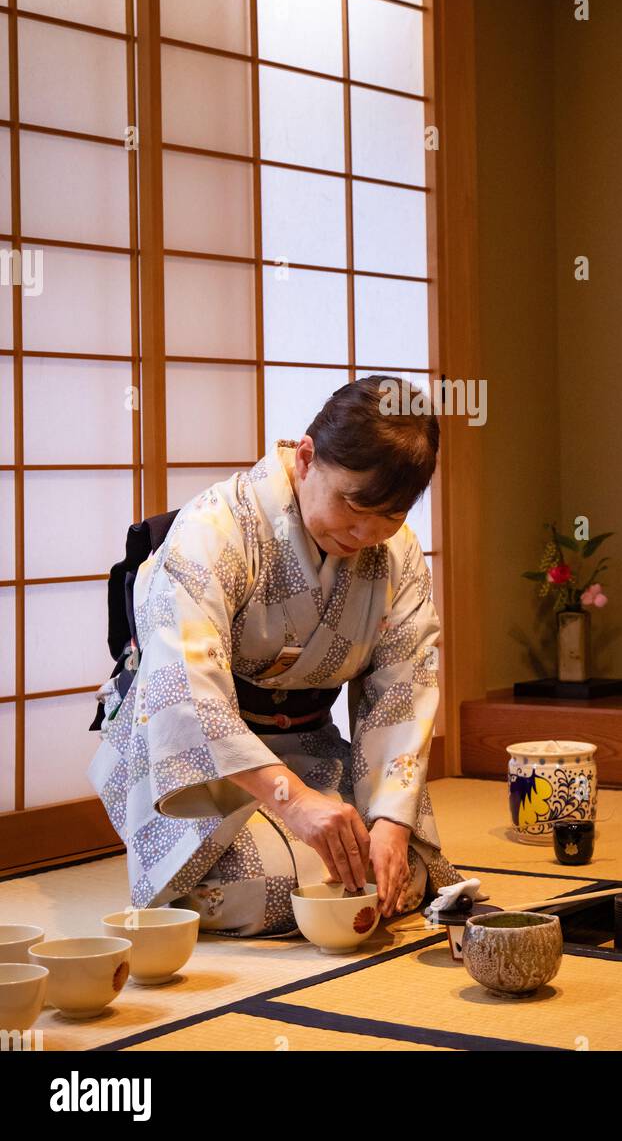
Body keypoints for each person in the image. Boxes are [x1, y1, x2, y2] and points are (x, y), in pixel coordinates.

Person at [87, 375, 464, 938]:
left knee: (397, 871)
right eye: (352, 505)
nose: (363, 533)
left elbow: (403, 690)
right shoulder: (213, 530)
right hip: (201, 760)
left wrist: (388, 820)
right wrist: (293, 801)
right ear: (307, 458)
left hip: (308, 744)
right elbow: (185, 691)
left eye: (388, 517)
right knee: (263, 889)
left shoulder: (397, 553)